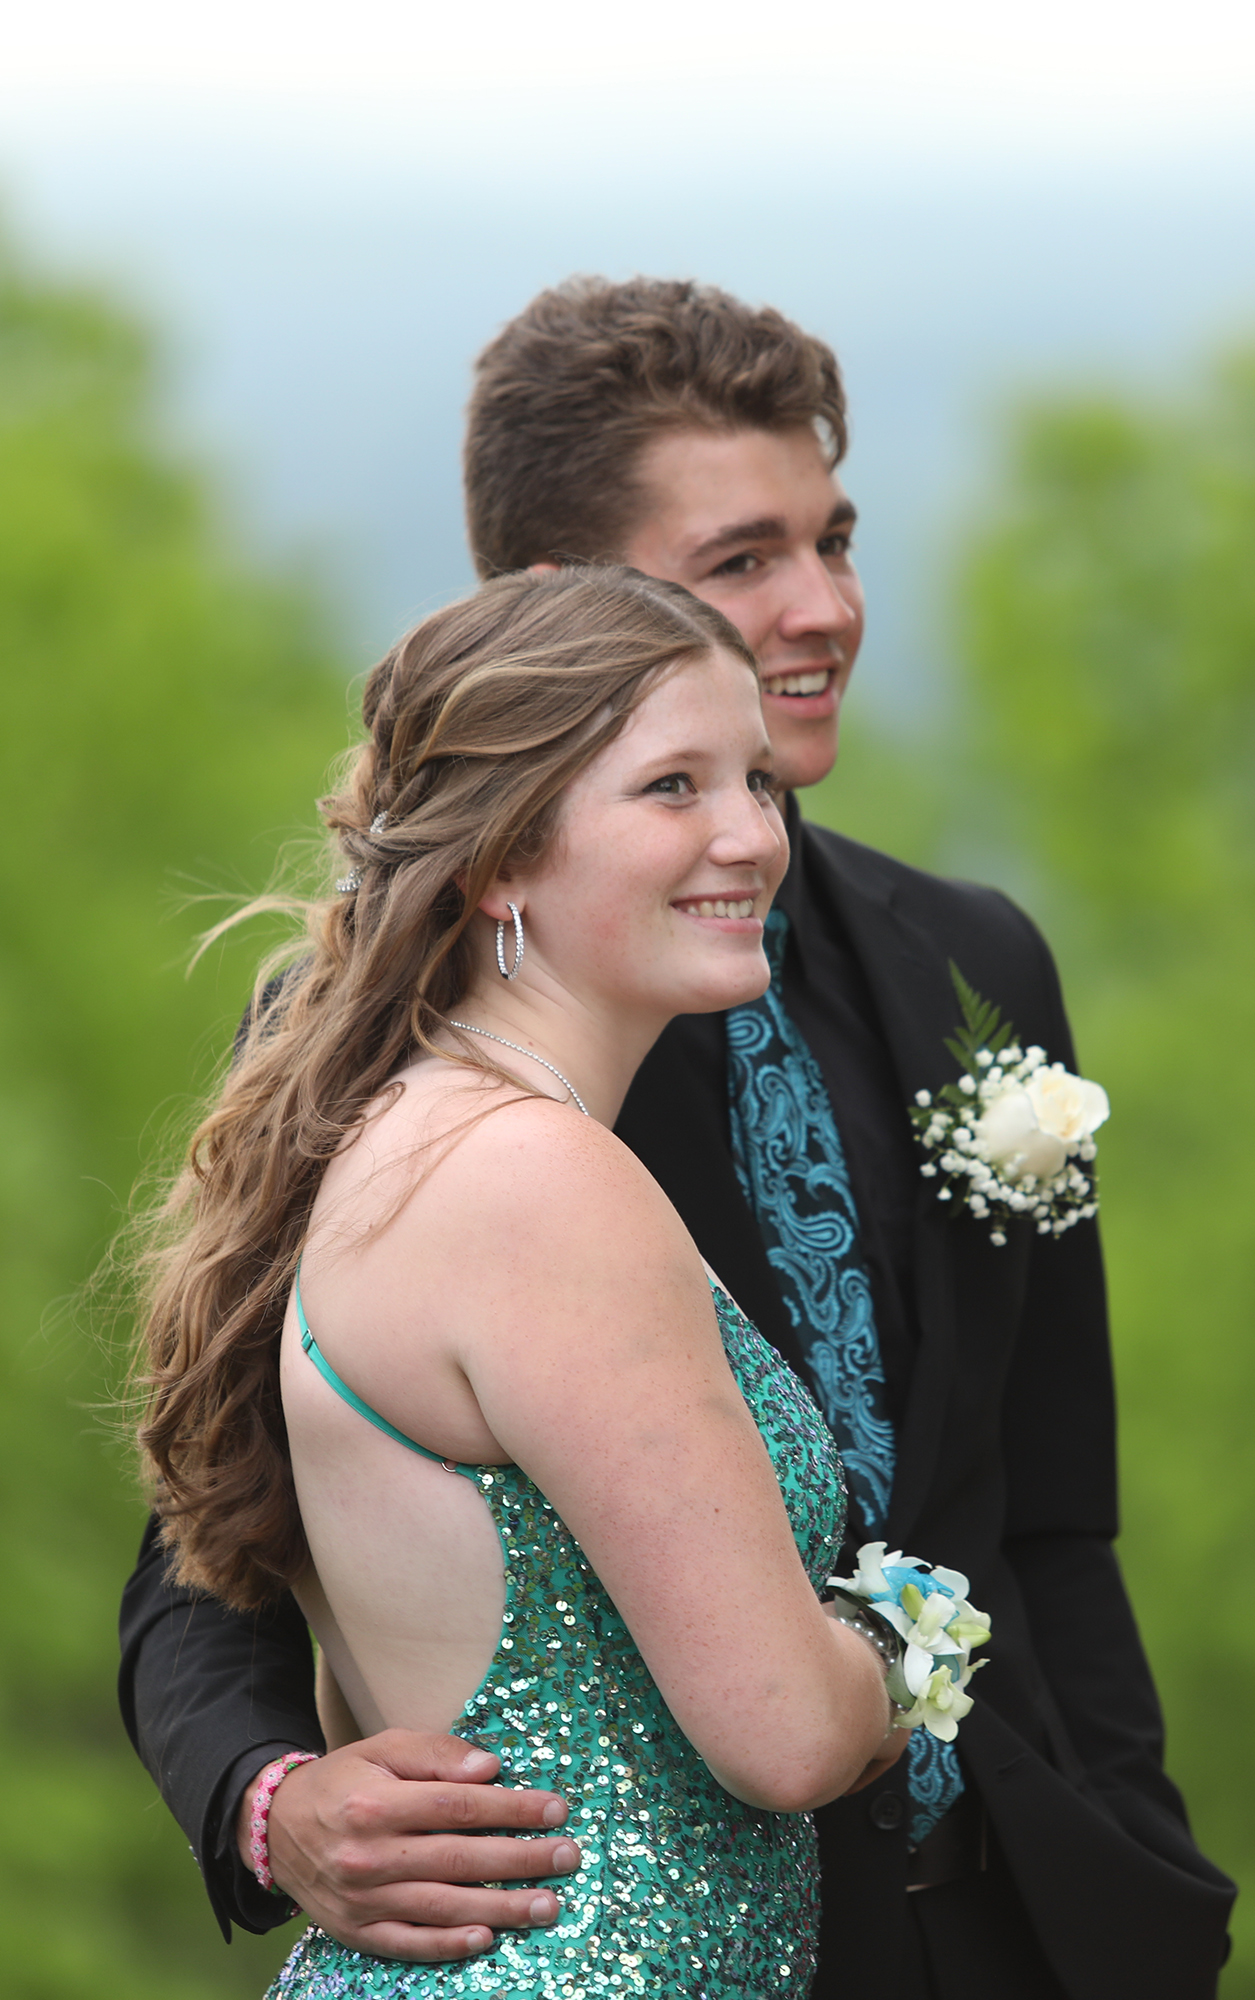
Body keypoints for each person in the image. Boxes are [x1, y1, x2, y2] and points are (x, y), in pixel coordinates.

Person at [121, 280, 1237, 1998]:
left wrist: (1143, 1896)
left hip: (1011, 1911)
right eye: (739, 563)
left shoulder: (979, 963)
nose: (821, 608)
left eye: (834, 537)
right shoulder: (402, 1054)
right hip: (636, 1923)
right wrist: (271, 1801)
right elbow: (217, 1511)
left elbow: (1050, 1510)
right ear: (554, 618)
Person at [134, 563, 908, 1998]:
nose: (750, 833)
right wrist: (899, 1640)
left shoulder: (414, 1137)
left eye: (752, 777)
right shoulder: (534, 1184)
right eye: (670, 787)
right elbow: (784, 1733)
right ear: (500, 858)